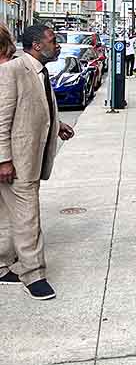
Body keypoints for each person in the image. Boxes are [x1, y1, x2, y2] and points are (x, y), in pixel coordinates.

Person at [0, 25, 75, 300]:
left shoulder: (39, 72)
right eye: (53, 41)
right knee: (28, 217)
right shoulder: (13, 71)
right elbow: (3, 119)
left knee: (6, 215)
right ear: (36, 45)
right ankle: (33, 274)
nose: (58, 46)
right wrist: (4, 160)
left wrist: (57, 125)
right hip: (17, 161)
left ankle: (1, 265)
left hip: (24, 158)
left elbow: (34, 109)